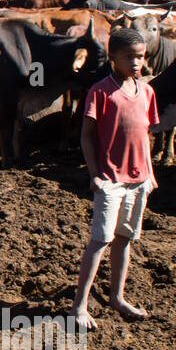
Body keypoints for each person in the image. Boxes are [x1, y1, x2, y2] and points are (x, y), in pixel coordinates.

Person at [70, 27, 158, 331]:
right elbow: (88, 136)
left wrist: (150, 173)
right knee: (100, 240)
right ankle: (79, 305)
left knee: (125, 239)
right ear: (113, 58)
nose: (136, 63)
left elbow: (145, 135)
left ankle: (117, 297)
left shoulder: (146, 91)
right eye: (129, 57)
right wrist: (95, 175)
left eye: (140, 57)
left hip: (138, 179)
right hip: (110, 179)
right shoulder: (101, 92)